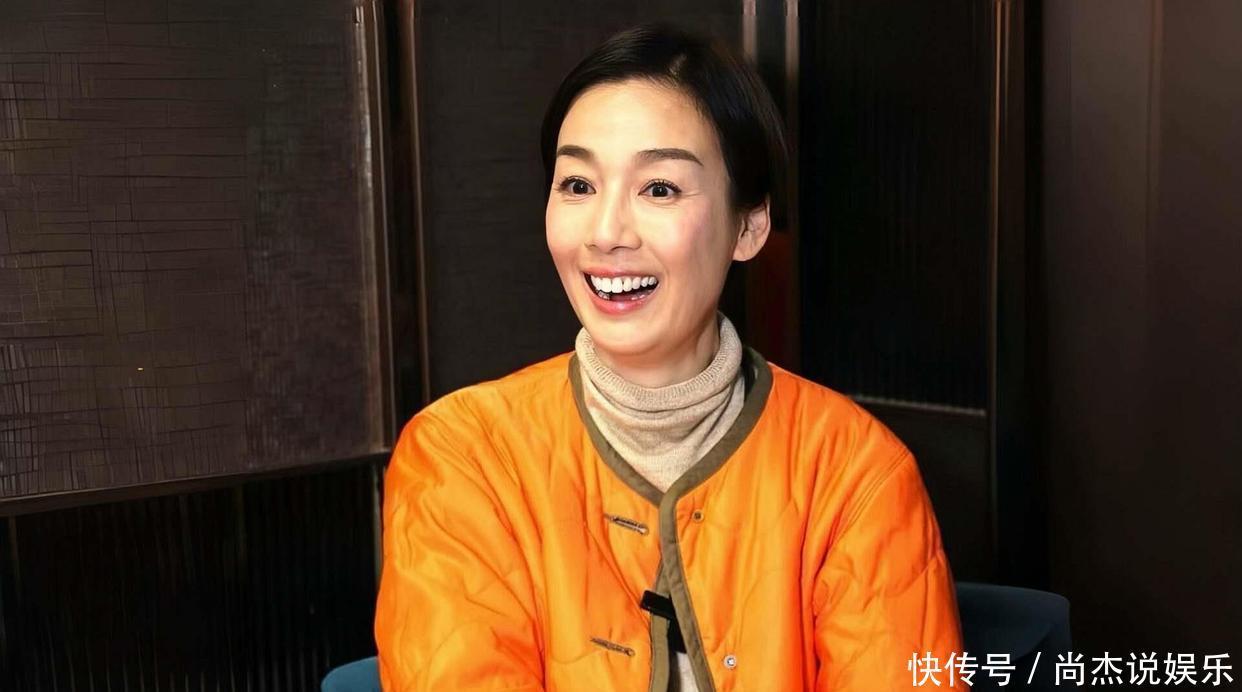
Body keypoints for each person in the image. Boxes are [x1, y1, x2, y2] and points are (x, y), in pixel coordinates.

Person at [375, 23, 963, 692]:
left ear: (749, 226)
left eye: (659, 189)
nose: (606, 233)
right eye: (578, 185)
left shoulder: (855, 471)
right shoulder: (463, 457)